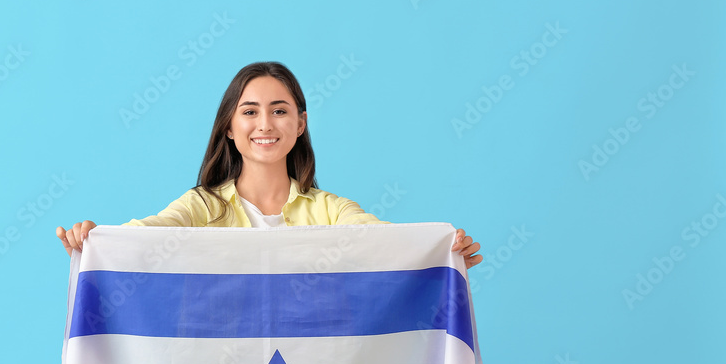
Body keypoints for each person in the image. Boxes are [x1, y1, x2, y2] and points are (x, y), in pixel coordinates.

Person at [56, 61, 482, 266]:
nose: (265, 125)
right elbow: (149, 234)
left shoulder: (330, 212)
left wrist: (443, 250)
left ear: (300, 124)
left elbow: (386, 241)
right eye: (249, 111)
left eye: (280, 111)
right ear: (228, 126)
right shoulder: (203, 208)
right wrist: (98, 238)